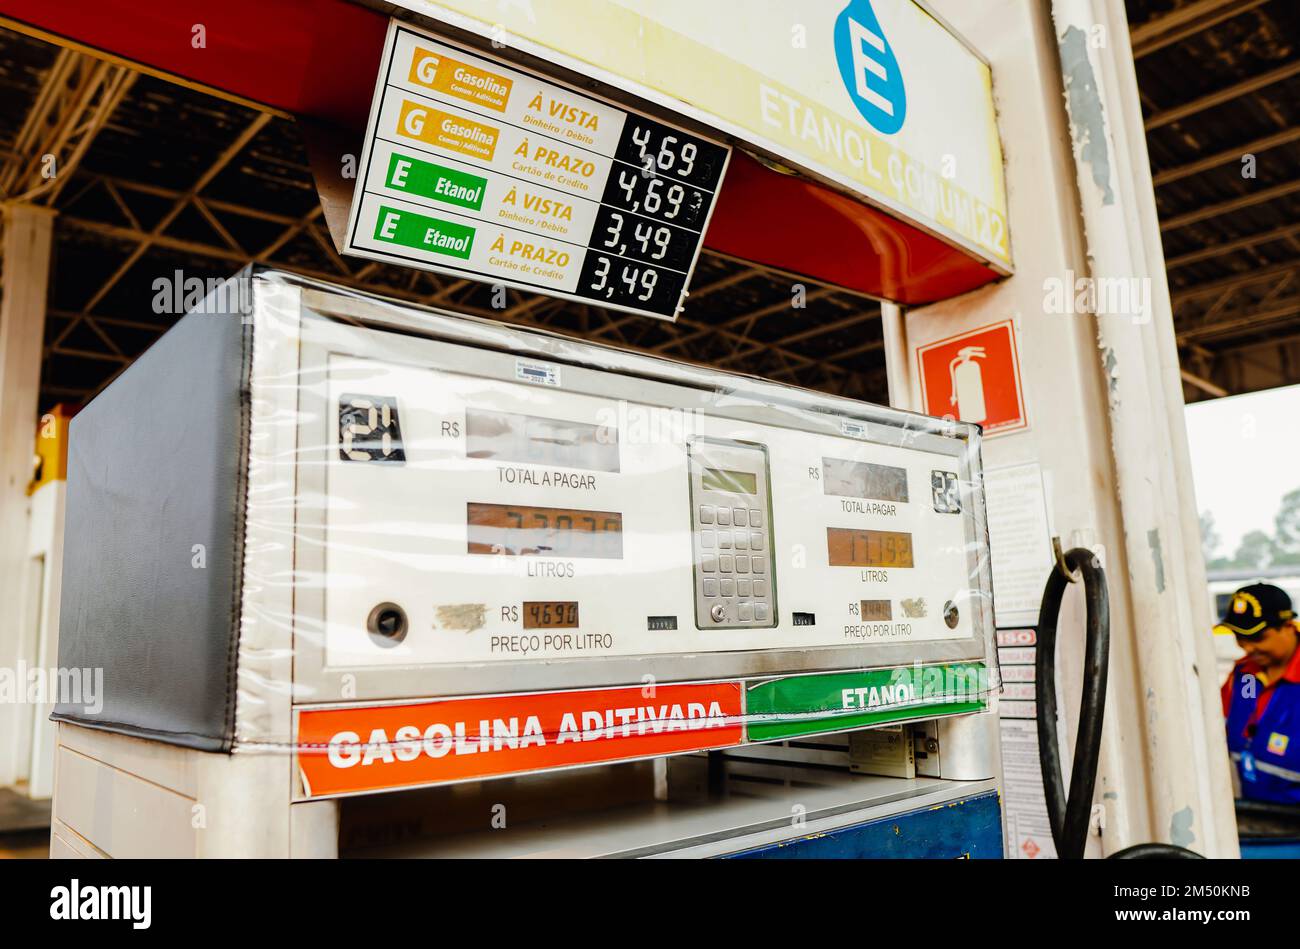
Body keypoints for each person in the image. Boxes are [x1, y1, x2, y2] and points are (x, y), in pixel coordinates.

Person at [1219, 583, 1300, 805]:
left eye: (1257, 637)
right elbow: (1228, 726)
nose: (1247, 648)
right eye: (1239, 637)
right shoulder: (1246, 676)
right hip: (1261, 820)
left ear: (1288, 626)